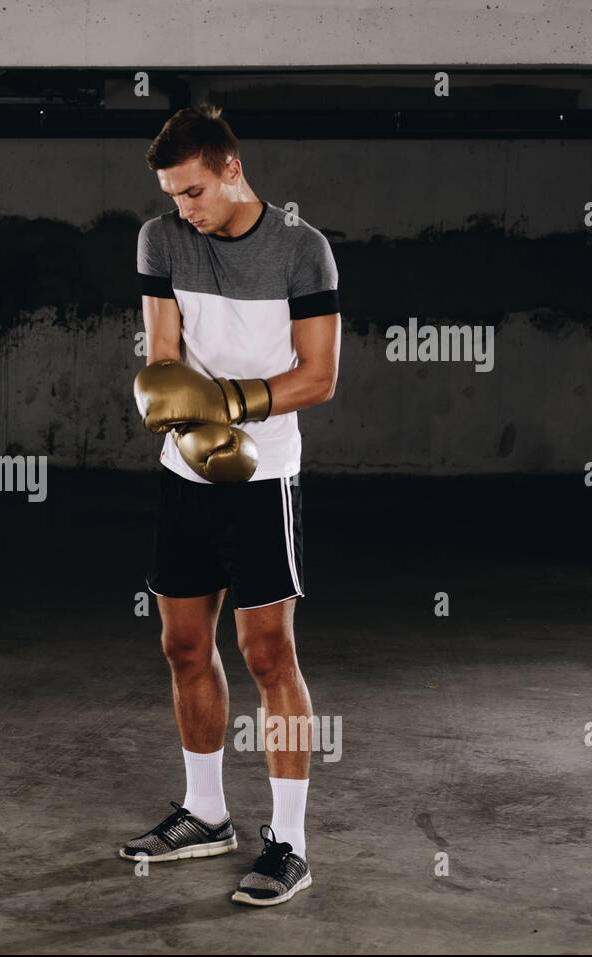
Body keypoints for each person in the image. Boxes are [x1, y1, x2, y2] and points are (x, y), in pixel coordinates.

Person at [120, 104, 341, 907]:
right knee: (183, 645)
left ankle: (290, 840)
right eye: (174, 195)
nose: (184, 209)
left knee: (267, 653)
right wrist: (177, 406)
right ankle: (207, 813)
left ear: (232, 170)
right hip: (186, 469)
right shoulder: (161, 240)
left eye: (194, 192)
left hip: (264, 472)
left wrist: (229, 408)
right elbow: (164, 353)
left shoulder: (301, 248)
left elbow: (317, 377)